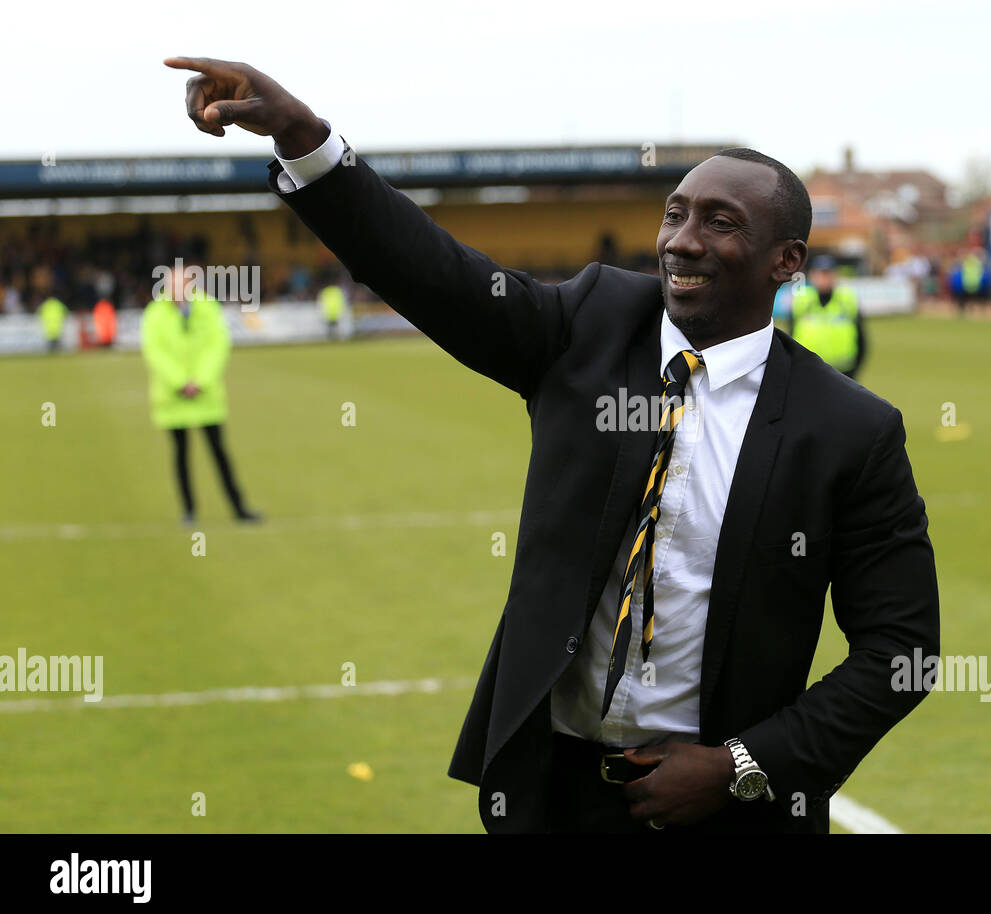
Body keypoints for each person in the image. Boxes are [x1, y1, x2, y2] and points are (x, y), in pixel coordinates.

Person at [166, 56, 939, 834]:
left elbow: (901, 651)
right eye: (675, 214)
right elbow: (436, 274)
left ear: (788, 261)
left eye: (720, 222)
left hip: (725, 808)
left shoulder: (849, 431)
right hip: (550, 795)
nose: (683, 241)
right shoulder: (591, 324)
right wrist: (305, 136)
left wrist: (741, 764)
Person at [141, 263, 261, 524]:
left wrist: (200, 381)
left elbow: (218, 346)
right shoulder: (155, 313)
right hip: (173, 398)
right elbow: (155, 351)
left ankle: (239, 508)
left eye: (183, 284)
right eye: (173, 285)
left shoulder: (207, 307)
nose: (178, 290)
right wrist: (181, 382)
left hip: (206, 397)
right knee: (181, 456)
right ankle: (189, 511)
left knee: (219, 453)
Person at [788, 254, 868, 378]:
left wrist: (856, 368)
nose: (823, 278)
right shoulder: (801, 300)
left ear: (835, 275)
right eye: (820, 273)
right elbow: (790, 336)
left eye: (827, 273)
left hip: (844, 370)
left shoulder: (847, 299)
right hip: (809, 368)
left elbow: (861, 337)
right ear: (812, 276)